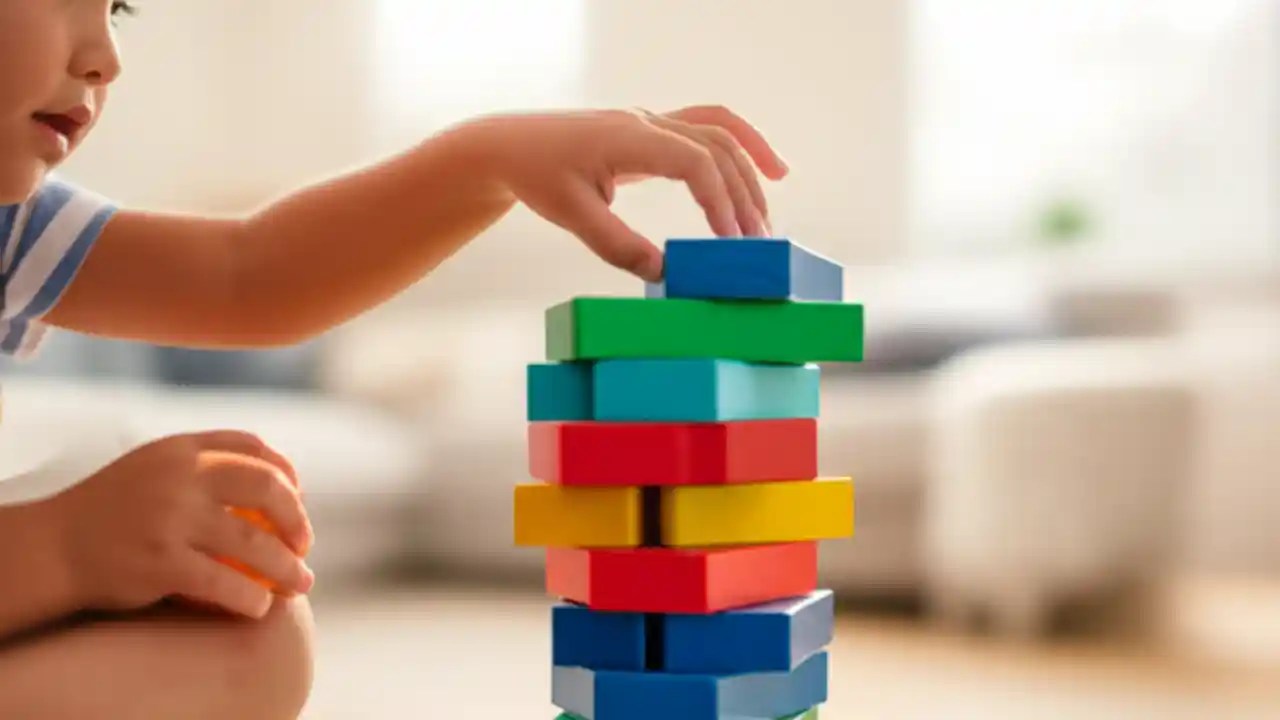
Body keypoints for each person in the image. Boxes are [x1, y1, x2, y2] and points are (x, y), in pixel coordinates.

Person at [0, 1, 789, 717]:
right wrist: (67, 545)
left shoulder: (13, 229)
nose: (107, 54)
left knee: (252, 638)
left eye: (118, 7)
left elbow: (250, 276)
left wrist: (491, 159)